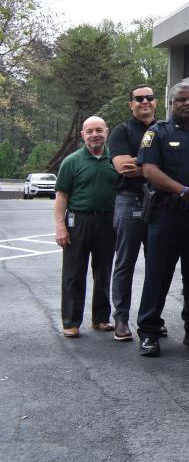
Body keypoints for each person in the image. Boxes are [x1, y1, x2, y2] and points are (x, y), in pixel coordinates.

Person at [135, 82, 189, 358]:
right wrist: (182, 191)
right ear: (171, 103)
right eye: (182, 100)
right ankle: (149, 332)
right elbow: (149, 170)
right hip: (166, 215)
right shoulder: (156, 133)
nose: (188, 104)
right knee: (158, 276)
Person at [55, 116, 118, 338]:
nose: (95, 135)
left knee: (104, 271)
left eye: (99, 130)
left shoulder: (115, 160)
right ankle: (71, 321)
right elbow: (62, 196)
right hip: (78, 221)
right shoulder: (71, 161)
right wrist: (60, 226)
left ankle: (100, 319)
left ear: (106, 132)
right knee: (74, 273)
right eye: (89, 131)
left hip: (108, 222)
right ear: (83, 135)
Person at [106, 84, 158, 341]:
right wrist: (153, 166)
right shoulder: (121, 131)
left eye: (149, 97)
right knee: (125, 262)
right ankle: (121, 319)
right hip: (130, 201)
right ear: (131, 104)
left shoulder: (163, 129)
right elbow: (123, 167)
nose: (144, 102)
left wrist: (143, 164)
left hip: (159, 203)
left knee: (157, 264)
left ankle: (152, 319)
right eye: (139, 99)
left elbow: (173, 166)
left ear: (156, 102)